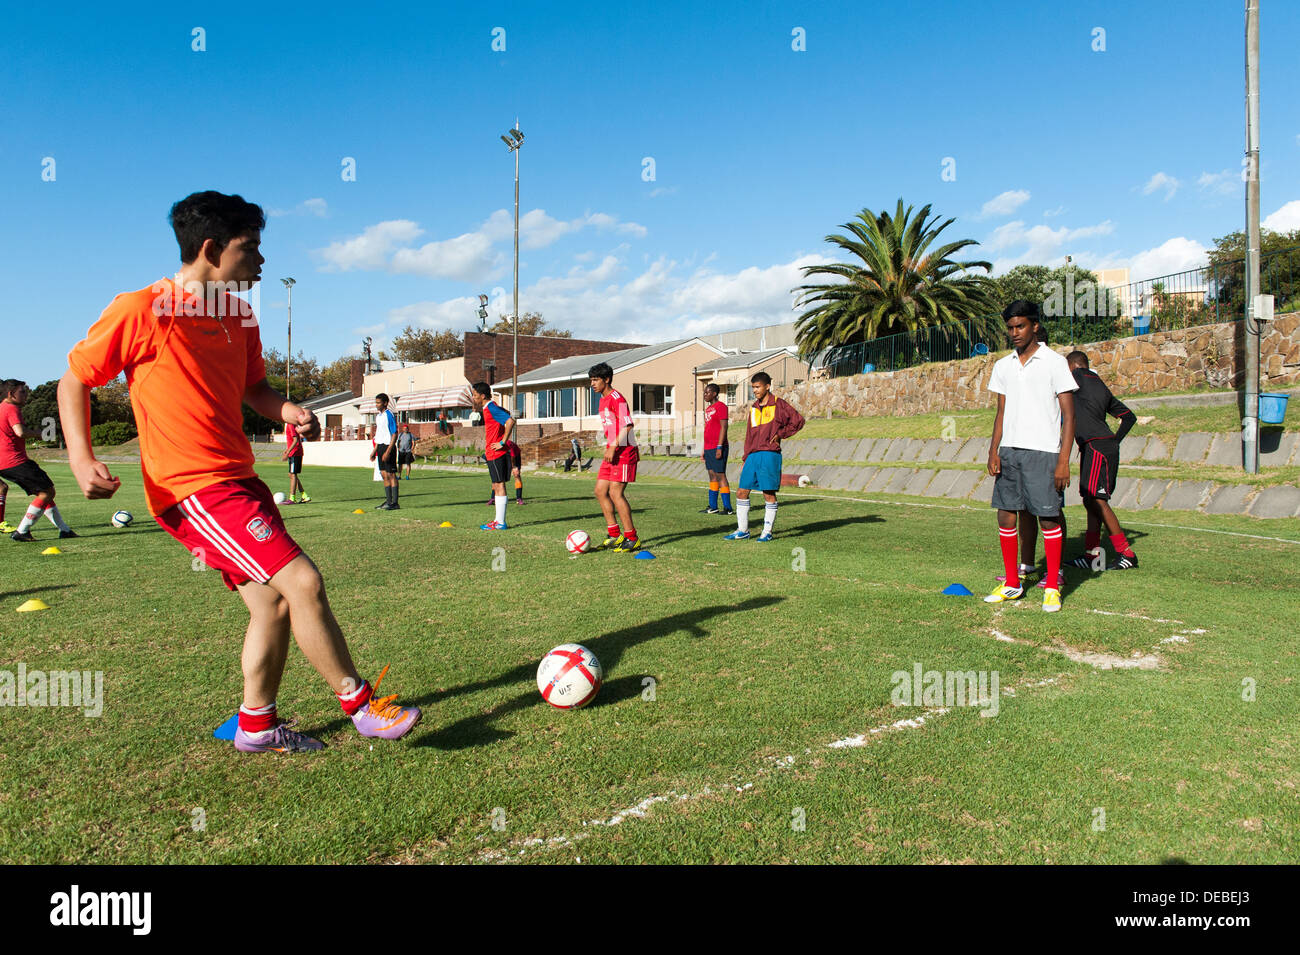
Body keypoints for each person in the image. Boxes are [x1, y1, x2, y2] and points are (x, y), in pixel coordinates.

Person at [57, 189, 418, 752]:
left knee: (272, 603)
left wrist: (288, 410)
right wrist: (81, 457)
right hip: (191, 487)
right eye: (250, 248)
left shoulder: (239, 314)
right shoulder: (140, 309)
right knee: (303, 582)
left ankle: (257, 726)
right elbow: (75, 378)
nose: (262, 260)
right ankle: (362, 706)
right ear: (210, 249)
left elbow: (255, 388)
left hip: (239, 479)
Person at [984, 301, 1077, 612]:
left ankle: (1052, 587)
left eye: (1020, 326)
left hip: (1044, 453)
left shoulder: (1055, 362)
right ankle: (1012, 583)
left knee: (1048, 517)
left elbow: (1069, 415)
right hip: (1010, 451)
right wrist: (994, 450)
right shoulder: (1003, 366)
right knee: (1005, 515)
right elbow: (1001, 411)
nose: (1015, 332)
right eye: (1010, 327)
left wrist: (1063, 460)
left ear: (1035, 326)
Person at [1066, 350, 1138, 570]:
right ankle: (1092, 556)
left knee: (1097, 499)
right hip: (1097, 446)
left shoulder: (1077, 376)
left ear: (1073, 366)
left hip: (1097, 446)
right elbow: (1129, 417)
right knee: (1090, 499)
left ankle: (1126, 553)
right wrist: (1115, 440)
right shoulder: (1099, 385)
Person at [725, 371, 804, 542]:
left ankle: (767, 532)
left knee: (768, 493)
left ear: (767, 386)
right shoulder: (754, 408)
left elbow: (798, 421)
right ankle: (742, 530)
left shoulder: (779, 405)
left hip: (769, 454)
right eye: (753, 387)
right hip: (752, 456)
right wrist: (746, 457)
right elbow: (749, 435)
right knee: (741, 492)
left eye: (757, 387)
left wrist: (781, 434)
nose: (755, 390)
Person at [1, 379, 77, 542]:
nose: (26, 395)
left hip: (3, 463)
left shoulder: (1, 408)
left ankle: (64, 530)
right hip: (14, 460)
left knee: (43, 493)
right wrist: (40, 433)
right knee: (47, 492)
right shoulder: (12, 408)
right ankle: (22, 531)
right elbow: (20, 432)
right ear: (11, 394)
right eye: (22, 391)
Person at [588, 362, 641, 552]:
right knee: (600, 491)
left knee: (615, 493)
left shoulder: (617, 398)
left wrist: (612, 446)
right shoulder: (602, 400)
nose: (592, 384)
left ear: (607, 379)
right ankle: (614, 534)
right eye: (591, 380)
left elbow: (628, 425)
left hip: (624, 451)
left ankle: (632, 538)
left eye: (596, 380)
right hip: (613, 450)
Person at [469, 382, 514, 530]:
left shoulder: (491, 407)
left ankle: (500, 522)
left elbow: (510, 421)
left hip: (496, 453)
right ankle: (497, 520)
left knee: (499, 485)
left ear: (482, 396)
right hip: (493, 453)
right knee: (496, 485)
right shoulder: (491, 407)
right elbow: (507, 414)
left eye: (475, 395)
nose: (473, 398)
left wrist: (502, 442)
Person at [699, 382, 733, 515]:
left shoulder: (721, 407)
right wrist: (704, 449)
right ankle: (713, 506)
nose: (705, 395)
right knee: (712, 475)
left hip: (718, 446)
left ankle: (728, 508)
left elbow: (724, 427)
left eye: (707, 392)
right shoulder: (708, 409)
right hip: (708, 447)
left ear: (714, 394)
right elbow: (708, 429)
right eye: (704, 392)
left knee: (720, 475)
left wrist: (719, 447)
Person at [369, 393, 399, 509]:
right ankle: (388, 501)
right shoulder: (378, 417)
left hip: (388, 447)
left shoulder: (389, 415)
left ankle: (395, 503)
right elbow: (379, 435)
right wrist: (374, 451)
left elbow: (394, 433)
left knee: (391, 474)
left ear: (385, 403)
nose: (376, 405)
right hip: (381, 447)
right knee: (384, 474)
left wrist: (388, 451)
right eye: (376, 403)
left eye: (378, 403)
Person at [282, 420, 310, 503]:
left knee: (293, 474)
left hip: (295, 453)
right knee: (291, 474)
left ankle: (292, 498)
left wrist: (288, 452)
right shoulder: (290, 424)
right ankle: (304, 496)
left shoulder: (290, 424)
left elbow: (295, 440)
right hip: (294, 452)